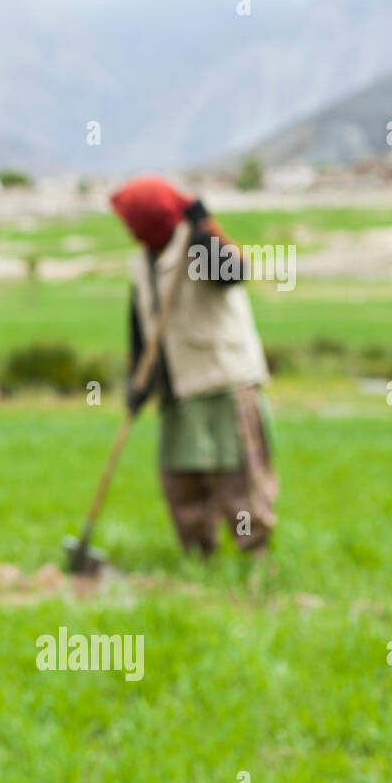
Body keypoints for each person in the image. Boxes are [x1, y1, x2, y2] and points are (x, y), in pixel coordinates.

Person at [110, 176, 278, 556]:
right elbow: (141, 328)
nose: (128, 230)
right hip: (177, 388)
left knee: (237, 479)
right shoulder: (141, 260)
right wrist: (139, 383)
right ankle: (199, 558)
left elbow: (233, 273)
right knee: (181, 479)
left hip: (221, 378)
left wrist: (206, 225)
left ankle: (255, 555)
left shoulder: (197, 245)